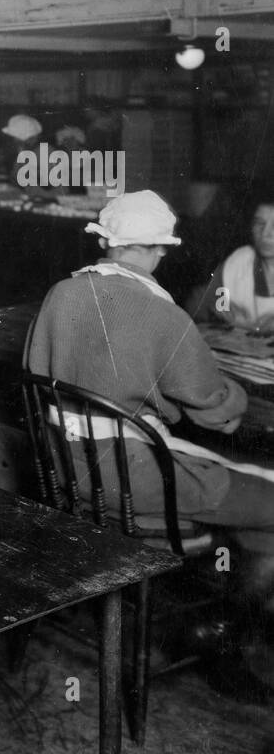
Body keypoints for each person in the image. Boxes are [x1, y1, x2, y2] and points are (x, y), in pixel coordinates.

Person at [26, 191, 274, 685]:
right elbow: (213, 409)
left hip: (68, 472)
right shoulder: (162, 314)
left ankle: (226, 588)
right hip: (134, 479)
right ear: (159, 248)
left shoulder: (60, 294)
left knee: (246, 497)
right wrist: (234, 401)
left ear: (108, 243)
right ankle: (222, 628)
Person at [193, 194, 274, 332]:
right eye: (259, 223)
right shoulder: (239, 262)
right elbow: (204, 302)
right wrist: (223, 312)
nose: (266, 233)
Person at [2, 114, 42, 184]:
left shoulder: (41, 153)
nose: (14, 140)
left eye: (15, 137)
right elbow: (14, 177)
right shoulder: (21, 152)